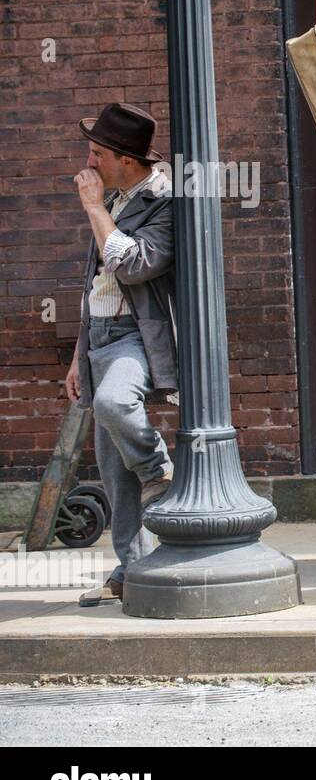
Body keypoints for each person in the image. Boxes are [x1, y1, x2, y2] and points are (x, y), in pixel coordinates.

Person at [67, 103, 177, 607]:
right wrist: (77, 357)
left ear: (127, 161)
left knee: (115, 404)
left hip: (137, 336)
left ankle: (157, 469)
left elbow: (133, 266)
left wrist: (94, 209)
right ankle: (133, 571)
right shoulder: (116, 195)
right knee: (113, 470)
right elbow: (97, 286)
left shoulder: (162, 201)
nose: (88, 165)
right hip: (100, 340)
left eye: (97, 155)